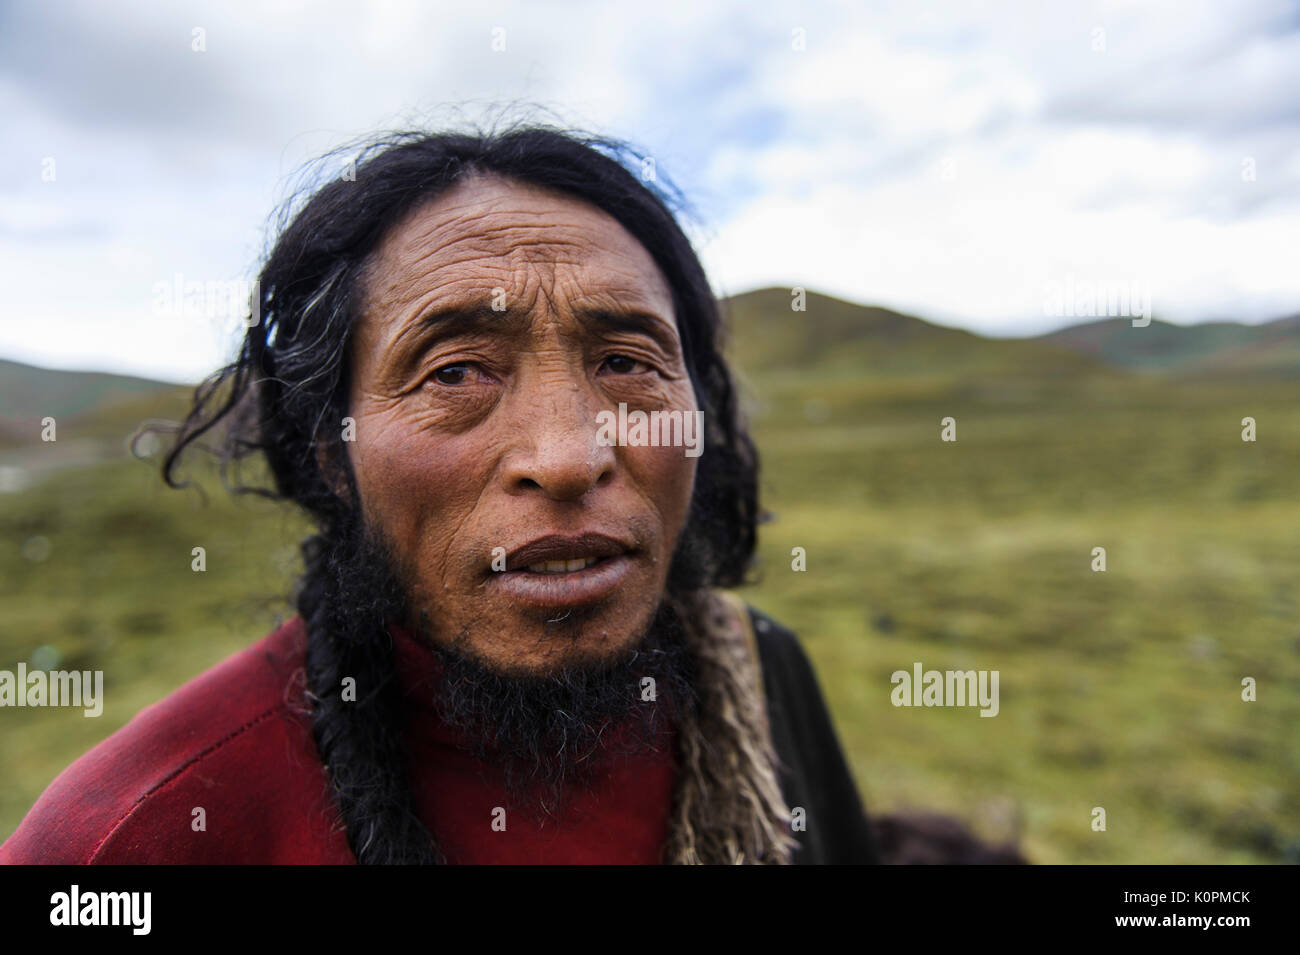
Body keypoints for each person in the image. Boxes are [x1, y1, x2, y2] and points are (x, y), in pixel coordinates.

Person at [0, 124, 879, 864]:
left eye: (626, 362)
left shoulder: (765, 679)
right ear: (331, 456)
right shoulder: (130, 836)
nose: (569, 457)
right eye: (455, 371)